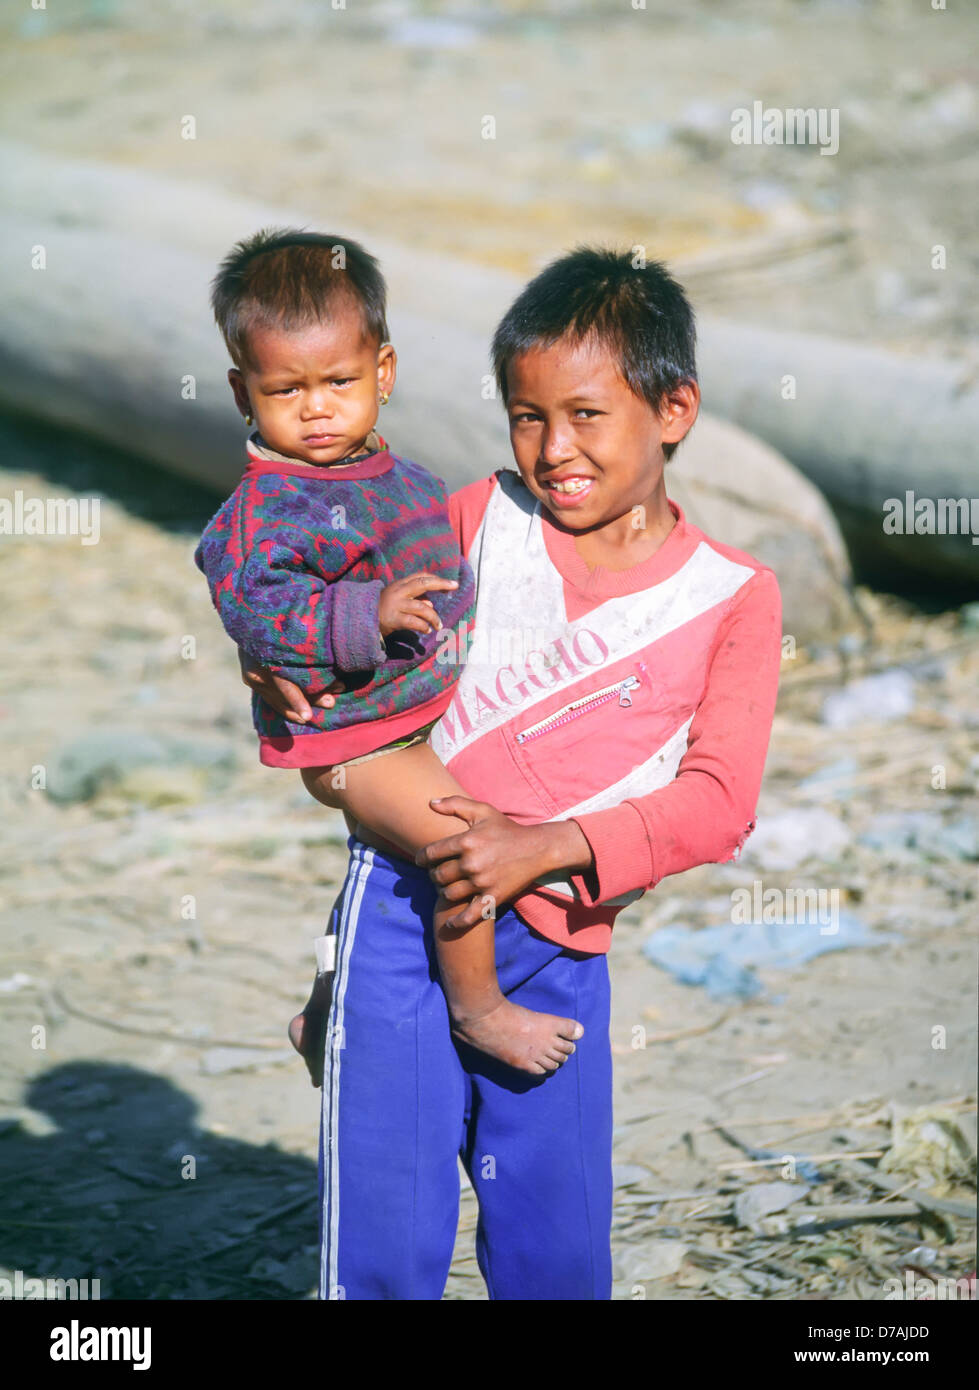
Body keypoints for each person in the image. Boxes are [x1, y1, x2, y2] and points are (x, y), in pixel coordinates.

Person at [245, 246, 783, 1300]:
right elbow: (339, 665)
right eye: (526, 416)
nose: (553, 448)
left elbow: (718, 805)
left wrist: (546, 846)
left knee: (559, 1246)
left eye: (587, 415)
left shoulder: (730, 597)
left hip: (558, 944)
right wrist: (279, 662)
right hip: (399, 917)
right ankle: (341, 998)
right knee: (386, 1241)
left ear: (674, 408)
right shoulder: (472, 524)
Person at [195, 228, 586, 1075]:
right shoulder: (268, 509)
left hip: (412, 717)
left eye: (338, 382)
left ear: (383, 373)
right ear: (241, 393)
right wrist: (363, 613)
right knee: (469, 846)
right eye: (284, 389)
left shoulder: (396, 476)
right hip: (354, 739)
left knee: (382, 873)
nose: (316, 409)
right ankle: (479, 1011)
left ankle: (325, 1006)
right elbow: (255, 604)